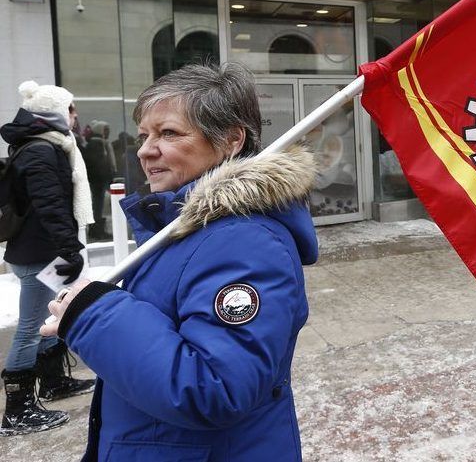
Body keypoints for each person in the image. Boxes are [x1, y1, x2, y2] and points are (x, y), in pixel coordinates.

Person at [41, 63, 319, 461]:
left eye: (168, 133)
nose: (144, 149)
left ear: (230, 140)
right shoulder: (187, 229)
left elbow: (216, 390)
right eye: (144, 135)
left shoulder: (244, 242)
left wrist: (95, 315)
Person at [0, 81, 96, 436]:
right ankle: (18, 409)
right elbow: (50, 206)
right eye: (70, 109)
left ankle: (53, 382)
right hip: (40, 252)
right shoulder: (41, 151)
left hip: (45, 250)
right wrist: (68, 248)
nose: (75, 115)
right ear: (53, 112)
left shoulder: (50, 146)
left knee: (53, 311)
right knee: (29, 327)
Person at [83, 120, 116, 240]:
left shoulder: (99, 144)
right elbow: (98, 165)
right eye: (105, 130)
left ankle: (97, 230)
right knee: (97, 207)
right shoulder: (96, 145)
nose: (107, 132)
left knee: (98, 207)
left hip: (98, 181)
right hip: (98, 182)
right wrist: (107, 178)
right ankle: (97, 231)